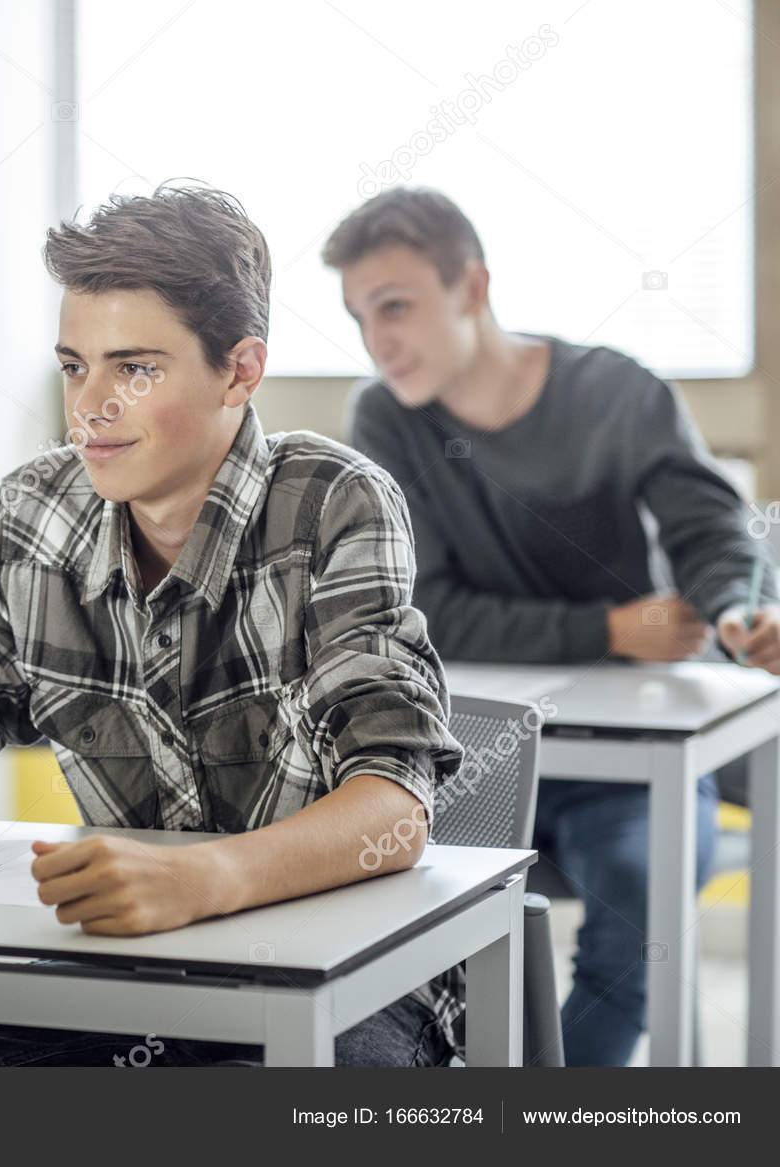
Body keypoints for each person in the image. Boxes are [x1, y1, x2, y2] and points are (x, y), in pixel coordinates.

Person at [0, 184, 465, 1067]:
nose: (89, 406)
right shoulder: (32, 514)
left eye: (136, 369)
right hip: (130, 973)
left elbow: (394, 802)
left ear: (240, 370)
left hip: (345, 976)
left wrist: (202, 877)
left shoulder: (334, 502)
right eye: (73, 366)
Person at [327, 186, 779, 1065]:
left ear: (473, 288)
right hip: (470, 755)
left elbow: (708, 528)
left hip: (632, 757)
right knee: (398, 935)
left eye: (395, 307)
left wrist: (736, 608)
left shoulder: (615, 391)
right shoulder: (385, 416)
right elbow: (428, 609)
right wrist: (610, 628)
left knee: (638, 916)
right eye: (359, 317)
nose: (377, 340)